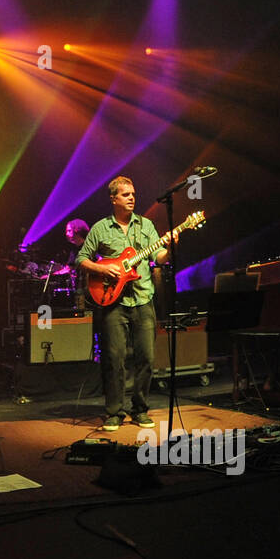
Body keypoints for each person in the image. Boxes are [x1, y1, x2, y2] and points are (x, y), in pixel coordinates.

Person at [76, 176, 174, 432]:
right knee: (114, 358)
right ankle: (114, 411)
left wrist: (170, 246)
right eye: (126, 194)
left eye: (133, 193)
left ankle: (140, 409)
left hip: (143, 298)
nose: (132, 198)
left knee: (147, 358)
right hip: (113, 301)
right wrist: (102, 269)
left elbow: (159, 258)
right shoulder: (100, 228)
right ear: (113, 199)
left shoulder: (146, 225)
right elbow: (81, 259)